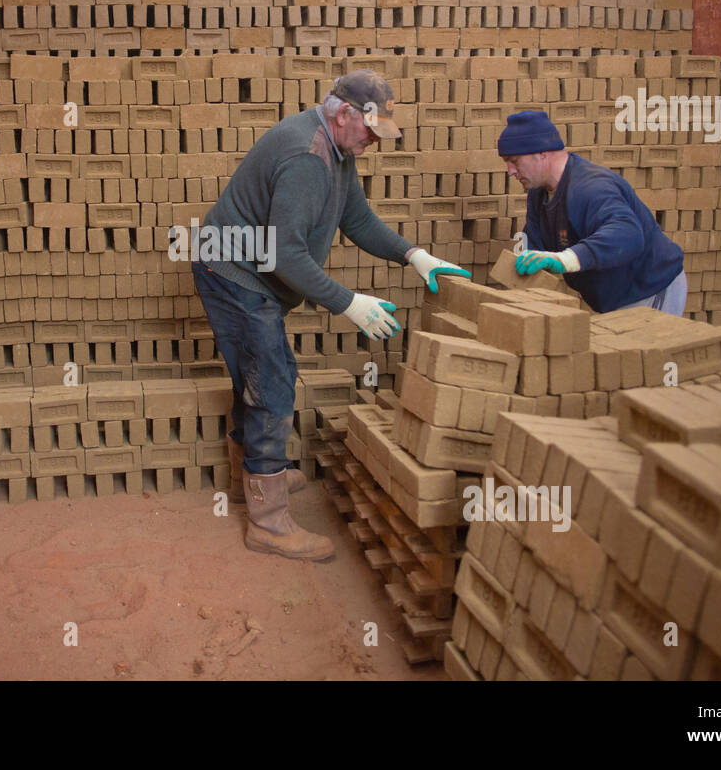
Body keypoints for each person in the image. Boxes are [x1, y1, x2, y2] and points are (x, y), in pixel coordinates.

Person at [191, 70, 470, 562]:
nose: (373, 143)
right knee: (272, 381)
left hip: (250, 267)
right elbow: (285, 256)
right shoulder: (307, 157)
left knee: (258, 375)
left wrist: (413, 255)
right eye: (370, 132)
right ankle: (268, 523)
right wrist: (349, 303)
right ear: (345, 115)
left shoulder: (337, 151)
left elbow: (357, 218)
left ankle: (250, 479)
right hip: (232, 271)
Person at [498, 110, 687, 314]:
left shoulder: (591, 188)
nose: (511, 171)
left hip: (648, 288)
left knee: (637, 346)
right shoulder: (538, 193)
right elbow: (533, 243)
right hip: (611, 294)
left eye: (514, 161)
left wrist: (566, 259)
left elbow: (628, 233)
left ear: (542, 153)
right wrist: (520, 267)